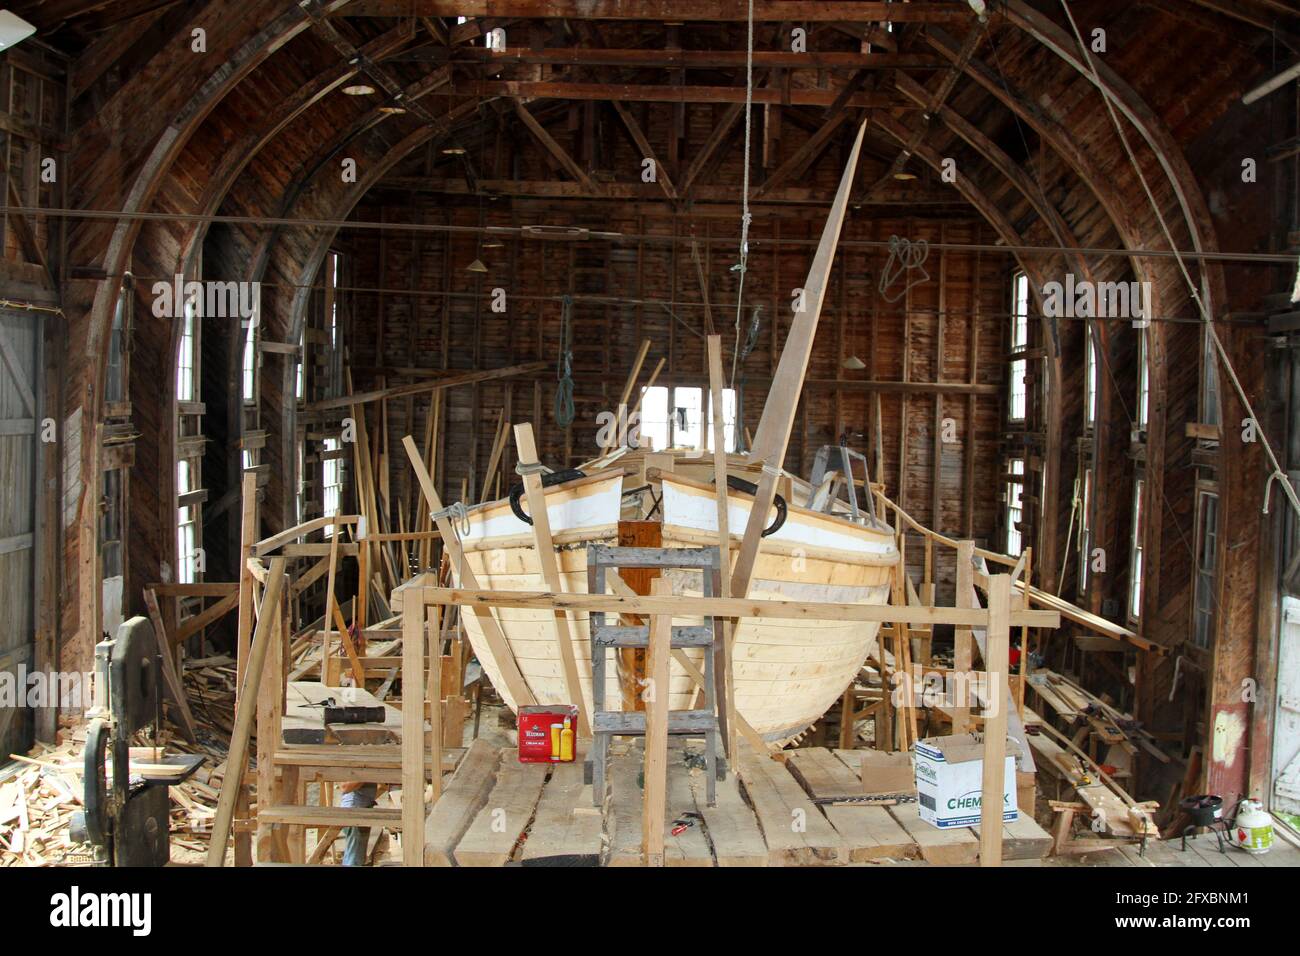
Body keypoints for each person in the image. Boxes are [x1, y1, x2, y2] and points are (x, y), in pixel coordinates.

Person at [339, 781, 378, 866]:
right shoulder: (361, 769)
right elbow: (344, 787)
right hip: (354, 812)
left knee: (356, 856)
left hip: (362, 809)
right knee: (354, 857)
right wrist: (366, 775)